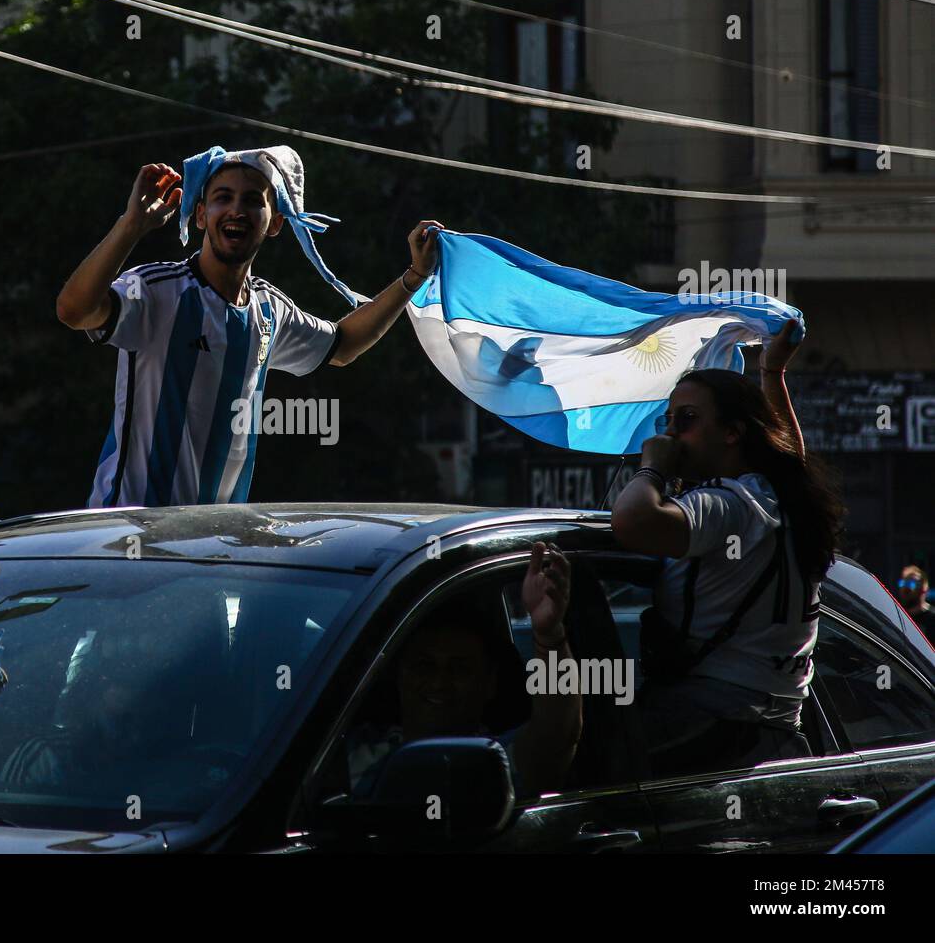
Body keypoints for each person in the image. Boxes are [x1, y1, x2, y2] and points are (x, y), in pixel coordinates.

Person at [55, 144, 445, 507]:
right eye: (222, 197)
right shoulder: (158, 292)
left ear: (274, 223)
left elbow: (343, 345)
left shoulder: (269, 311)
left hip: (215, 546)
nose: (236, 210)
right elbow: (73, 311)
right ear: (202, 214)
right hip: (130, 540)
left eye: (252, 200)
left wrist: (414, 276)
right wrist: (131, 226)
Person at [611, 321, 846, 776]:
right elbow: (792, 461)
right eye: (669, 421)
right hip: (772, 727)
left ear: (732, 433)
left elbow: (632, 521)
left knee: (562, 763)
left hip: (711, 719)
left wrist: (652, 469)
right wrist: (772, 375)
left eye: (688, 420)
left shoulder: (727, 505)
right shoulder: (779, 496)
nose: (673, 433)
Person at [347, 542, 581, 798]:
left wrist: (549, 635)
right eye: (424, 666)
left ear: (490, 683)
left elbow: (559, 733)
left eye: (460, 669)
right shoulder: (347, 748)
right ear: (399, 674)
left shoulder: (496, 758)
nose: (439, 682)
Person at [896, 565, 935, 642]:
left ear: (924, 589)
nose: (906, 588)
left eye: (912, 583)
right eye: (903, 583)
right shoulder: (896, 614)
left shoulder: (932, 619)